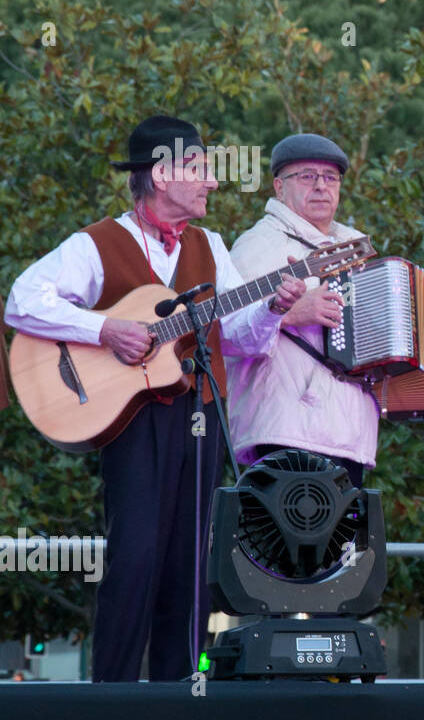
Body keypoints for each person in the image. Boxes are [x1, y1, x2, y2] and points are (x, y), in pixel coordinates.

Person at [4, 115, 305, 682]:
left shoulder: (210, 245)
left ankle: (179, 695)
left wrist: (273, 306)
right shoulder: (97, 243)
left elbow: (238, 337)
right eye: (201, 170)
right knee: (136, 557)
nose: (213, 182)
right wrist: (104, 331)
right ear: (163, 175)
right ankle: (110, 698)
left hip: (199, 413)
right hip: (133, 419)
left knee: (190, 567)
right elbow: (22, 300)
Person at [225, 133, 424, 489]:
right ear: (279, 187)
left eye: (331, 178)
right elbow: (228, 333)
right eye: (307, 176)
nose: (321, 186)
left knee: (340, 544)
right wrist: (291, 312)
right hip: (286, 431)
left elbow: (380, 341)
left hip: (349, 436)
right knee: (289, 543)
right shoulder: (258, 245)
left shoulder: (354, 245)